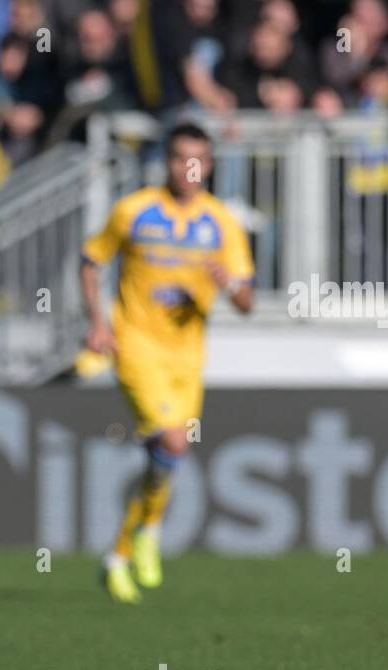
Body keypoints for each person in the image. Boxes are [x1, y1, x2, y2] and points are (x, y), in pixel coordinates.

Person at [79, 122, 253, 604]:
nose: (188, 169)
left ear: (210, 166)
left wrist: (230, 284)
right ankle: (147, 533)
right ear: (167, 162)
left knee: (170, 455)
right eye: (180, 158)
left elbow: (247, 301)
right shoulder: (133, 210)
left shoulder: (222, 223)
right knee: (173, 440)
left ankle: (122, 551)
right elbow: (90, 262)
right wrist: (98, 323)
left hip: (188, 355)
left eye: (197, 160)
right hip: (135, 345)